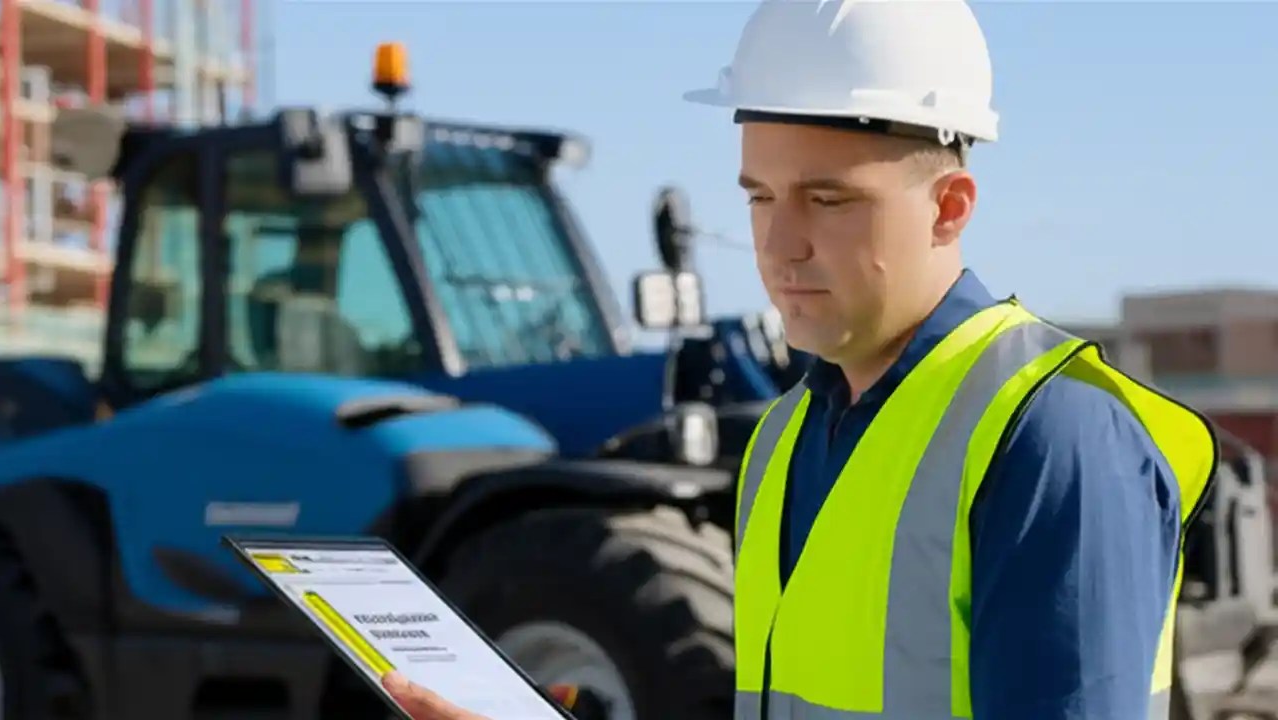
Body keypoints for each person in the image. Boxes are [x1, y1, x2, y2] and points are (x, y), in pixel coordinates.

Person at [384, 1, 1220, 718]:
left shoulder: (1053, 436)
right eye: (760, 197)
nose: (781, 245)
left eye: (829, 200)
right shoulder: (782, 443)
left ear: (950, 207)